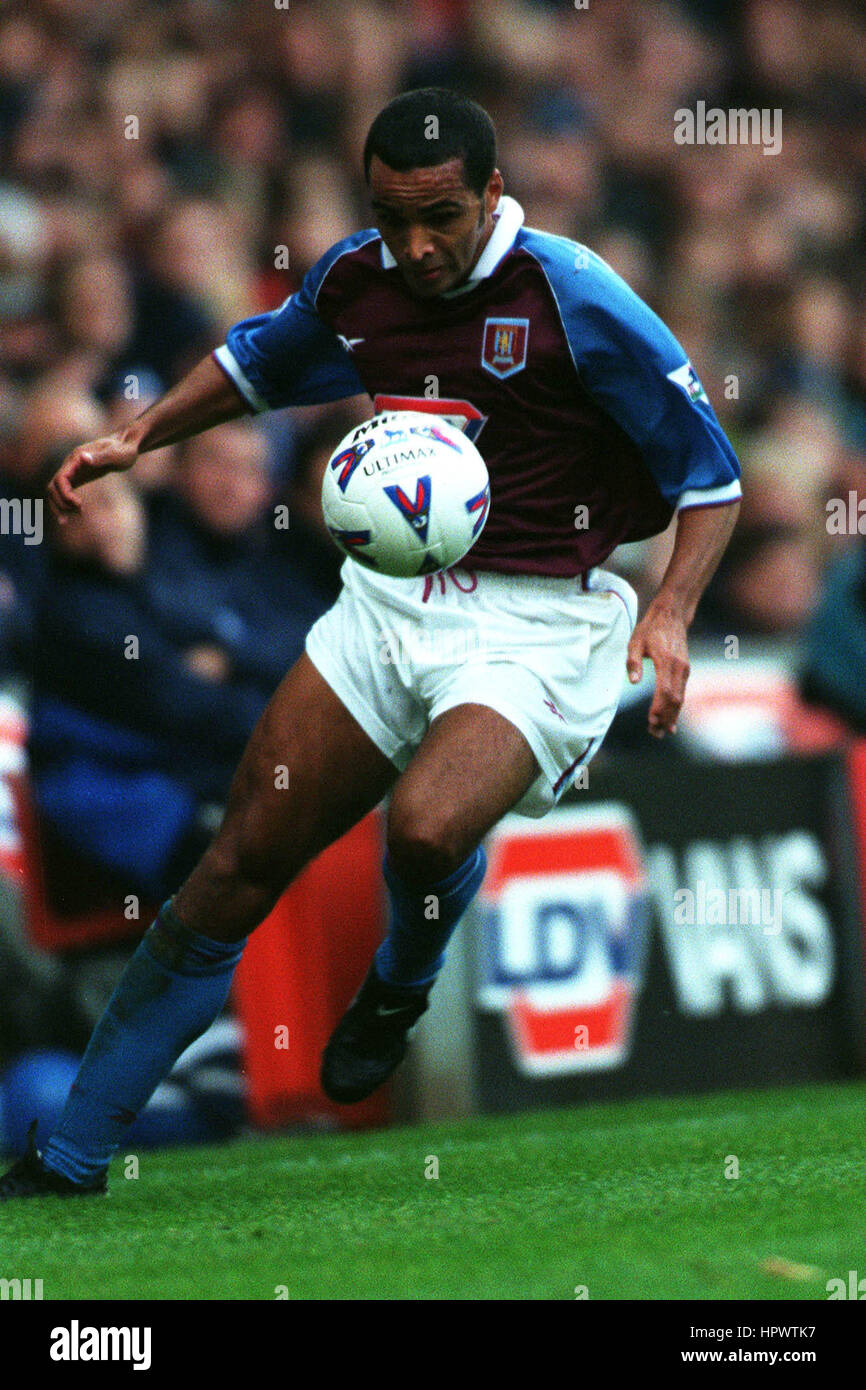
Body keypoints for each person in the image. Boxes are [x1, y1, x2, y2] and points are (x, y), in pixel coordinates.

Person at [1, 88, 740, 1199]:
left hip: (536, 626)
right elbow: (257, 362)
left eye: (437, 217)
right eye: (391, 218)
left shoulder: (576, 296)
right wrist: (140, 436)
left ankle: (400, 974)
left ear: (492, 193)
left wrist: (672, 608)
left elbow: (712, 476)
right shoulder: (360, 277)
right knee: (240, 857)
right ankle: (71, 1152)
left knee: (427, 826)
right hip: (391, 605)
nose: (415, 245)